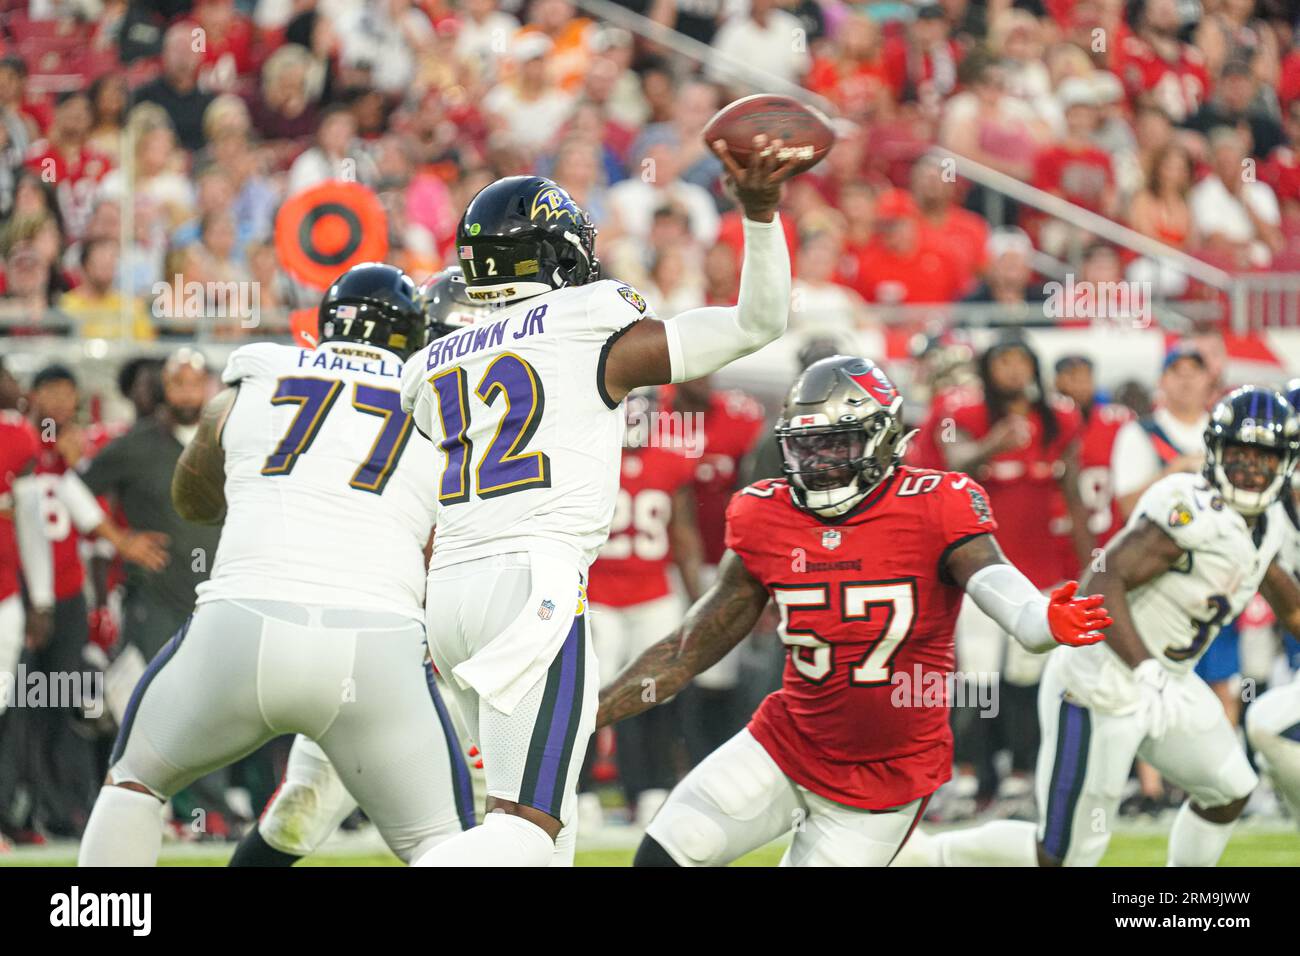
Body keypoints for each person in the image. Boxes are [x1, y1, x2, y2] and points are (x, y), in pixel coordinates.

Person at [398, 137, 797, 867]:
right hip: (531, 586)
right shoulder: (586, 319)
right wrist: (762, 217)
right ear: (557, 253)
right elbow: (756, 324)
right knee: (526, 831)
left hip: (450, 597)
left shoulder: (434, 358)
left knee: (540, 833)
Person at [596, 355, 1111, 867]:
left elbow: (994, 580)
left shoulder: (936, 504)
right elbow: (687, 648)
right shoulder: (765, 514)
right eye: (806, 445)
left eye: (836, 443)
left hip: (886, 778)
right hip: (787, 743)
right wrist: (587, 717)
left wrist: (1040, 619)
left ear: (884, 438)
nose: (819, 461)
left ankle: (1014, 855)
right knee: (664, 856)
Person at [78, 263, 473, 867]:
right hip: (377, 647)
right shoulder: (446, 404)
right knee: (444, 845)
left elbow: (196, 499)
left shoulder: (260, 371)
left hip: (241, 626)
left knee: (135, 781)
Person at [910, 386, 1300, 867]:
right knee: (1060, 856)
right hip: (1101, 686)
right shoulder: (1191, 507)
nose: (1250, 466)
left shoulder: (1269, 522)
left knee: (1229, 790)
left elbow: (1290, 604)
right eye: (1239, 452)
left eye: (1264, 456)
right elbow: (1102, 580)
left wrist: (1158, 677)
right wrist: (1145, 671)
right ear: (1215, 451)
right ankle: (928, 856)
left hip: (1167, 684)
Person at [226, 267, 493, 867]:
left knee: (306, 809)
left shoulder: (440, 409)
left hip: (401, 639)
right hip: (408, 646)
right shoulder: (433, 410)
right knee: (461, 828)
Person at [579, 389, 704, 830]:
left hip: (652, 594)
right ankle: (581, 792)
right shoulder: (589, 458)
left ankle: (653, 787)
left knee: (658, 693)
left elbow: (684, 535)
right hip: (599, 597)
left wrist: (698, 600)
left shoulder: (670, 461)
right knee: (589, 696)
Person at [0, 357, 55, 849]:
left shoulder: (17, 439)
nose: (15, 386)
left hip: (4, 599)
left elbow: (32, 525)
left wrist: (40, 597)